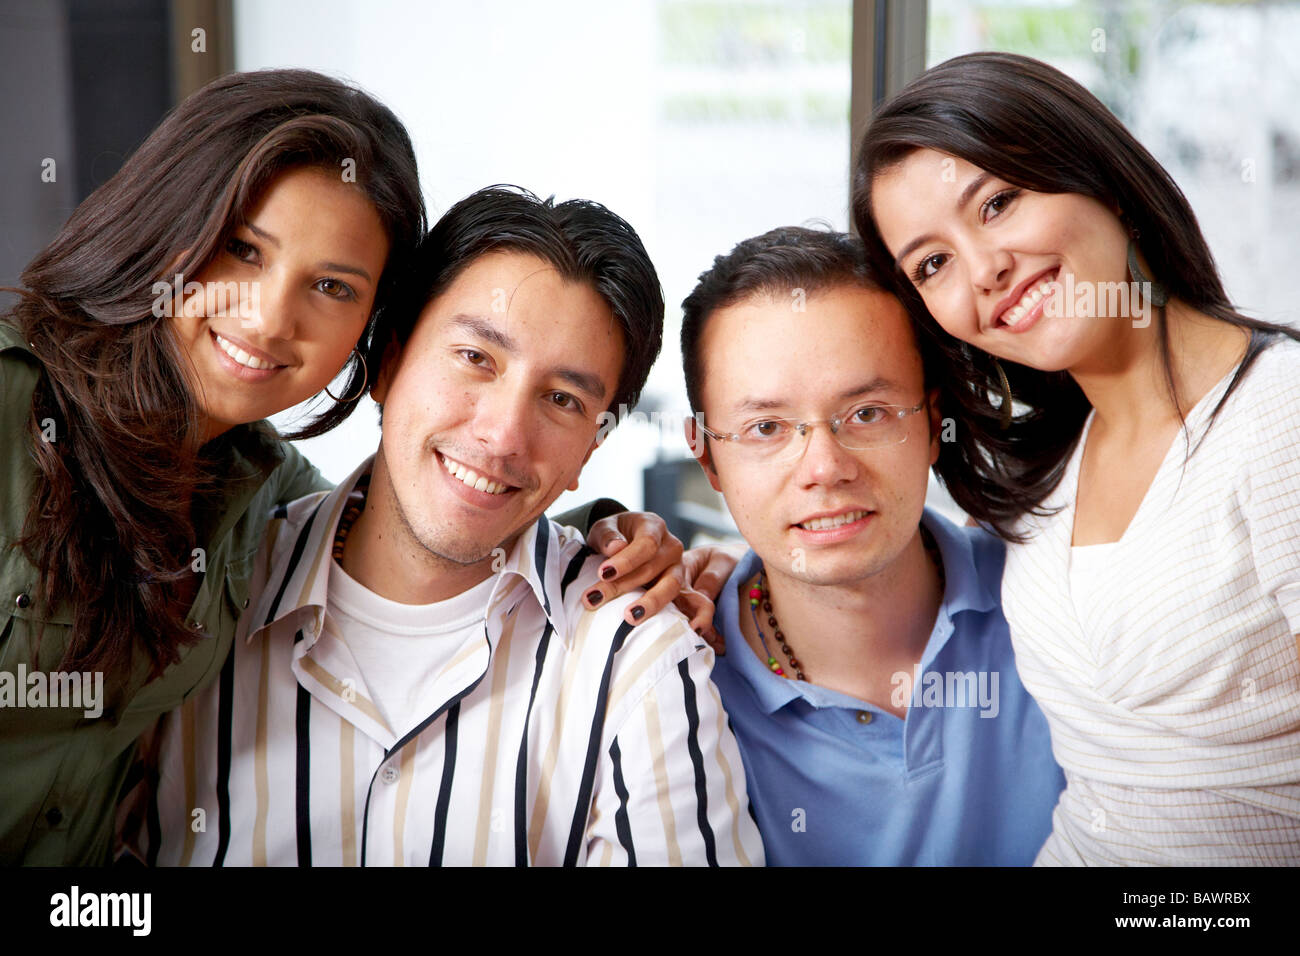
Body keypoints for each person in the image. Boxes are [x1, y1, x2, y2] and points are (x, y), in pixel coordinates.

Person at [0, 70, 693, 866]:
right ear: (166, 221)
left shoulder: (252, 484)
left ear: (372, 333)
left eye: (332, 286)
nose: (268, 318)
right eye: (243, 250)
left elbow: (417, 527)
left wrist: (611, 539)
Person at [125, 187, 763, 866]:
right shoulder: (197, 592)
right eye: (475, 358)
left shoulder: (637, 656)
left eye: (561, 399)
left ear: (590, 450)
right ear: (389, 360)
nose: (502, 434)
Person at [857, 51, 1300, 865]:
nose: (984, 271)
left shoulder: (1279, 418)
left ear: (1101, 178)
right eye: (932, 263)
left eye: (997, 203)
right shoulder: (1047, 473)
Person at [678, 225, 1063, 865]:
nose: (824, 467)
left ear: (934, 424)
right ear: (709, 458)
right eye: (766, 427)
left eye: (868, 413)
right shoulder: (681, 687)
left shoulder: (1053, 594)